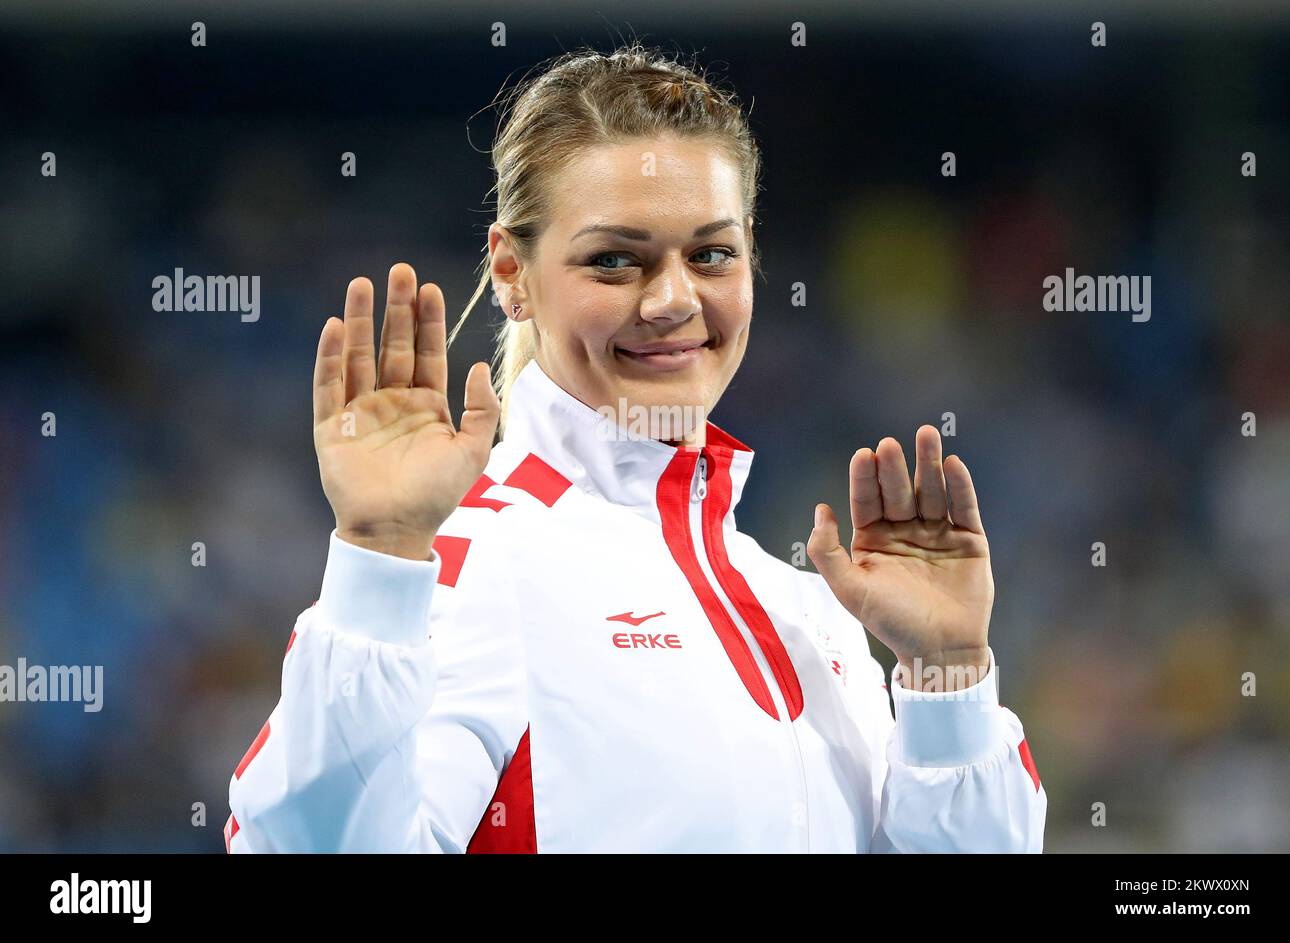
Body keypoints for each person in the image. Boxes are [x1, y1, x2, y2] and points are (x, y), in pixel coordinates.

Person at [225, 44, 1046, 853]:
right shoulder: (463, 566)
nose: (673, 300)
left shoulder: (810, 611)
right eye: (615, 260)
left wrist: (948, 672)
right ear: (512, 272)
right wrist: (376, 555)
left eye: (711, 254)